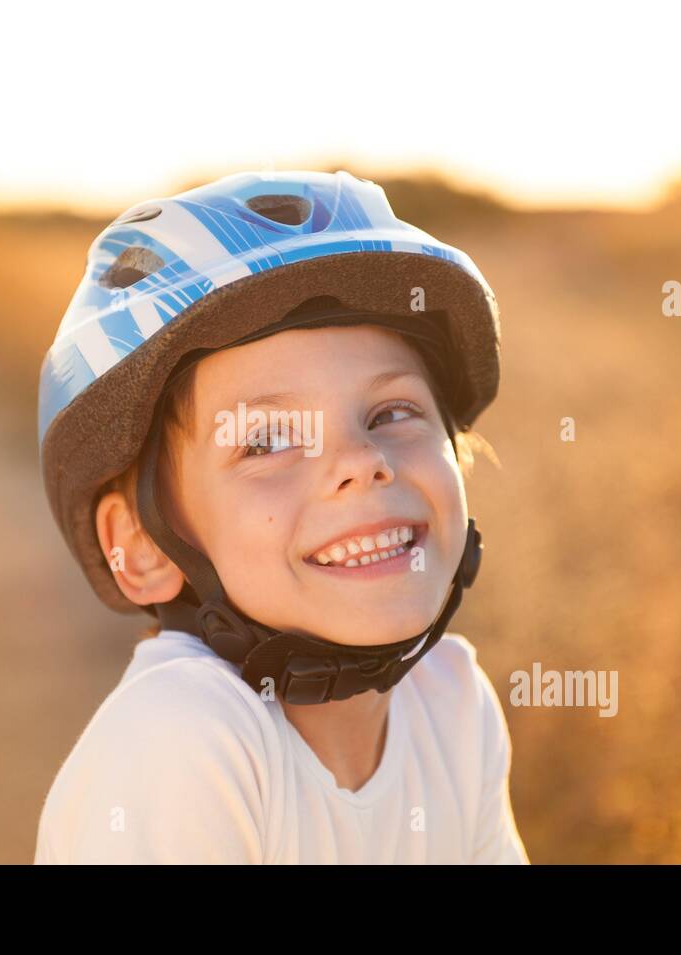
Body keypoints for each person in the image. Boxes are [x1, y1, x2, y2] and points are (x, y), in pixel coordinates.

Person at [33, 170, 528, 863]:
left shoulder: (451, 703)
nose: (360, 460)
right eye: (266, 441)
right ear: (143, 545)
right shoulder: (181, 735)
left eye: (392, 413)